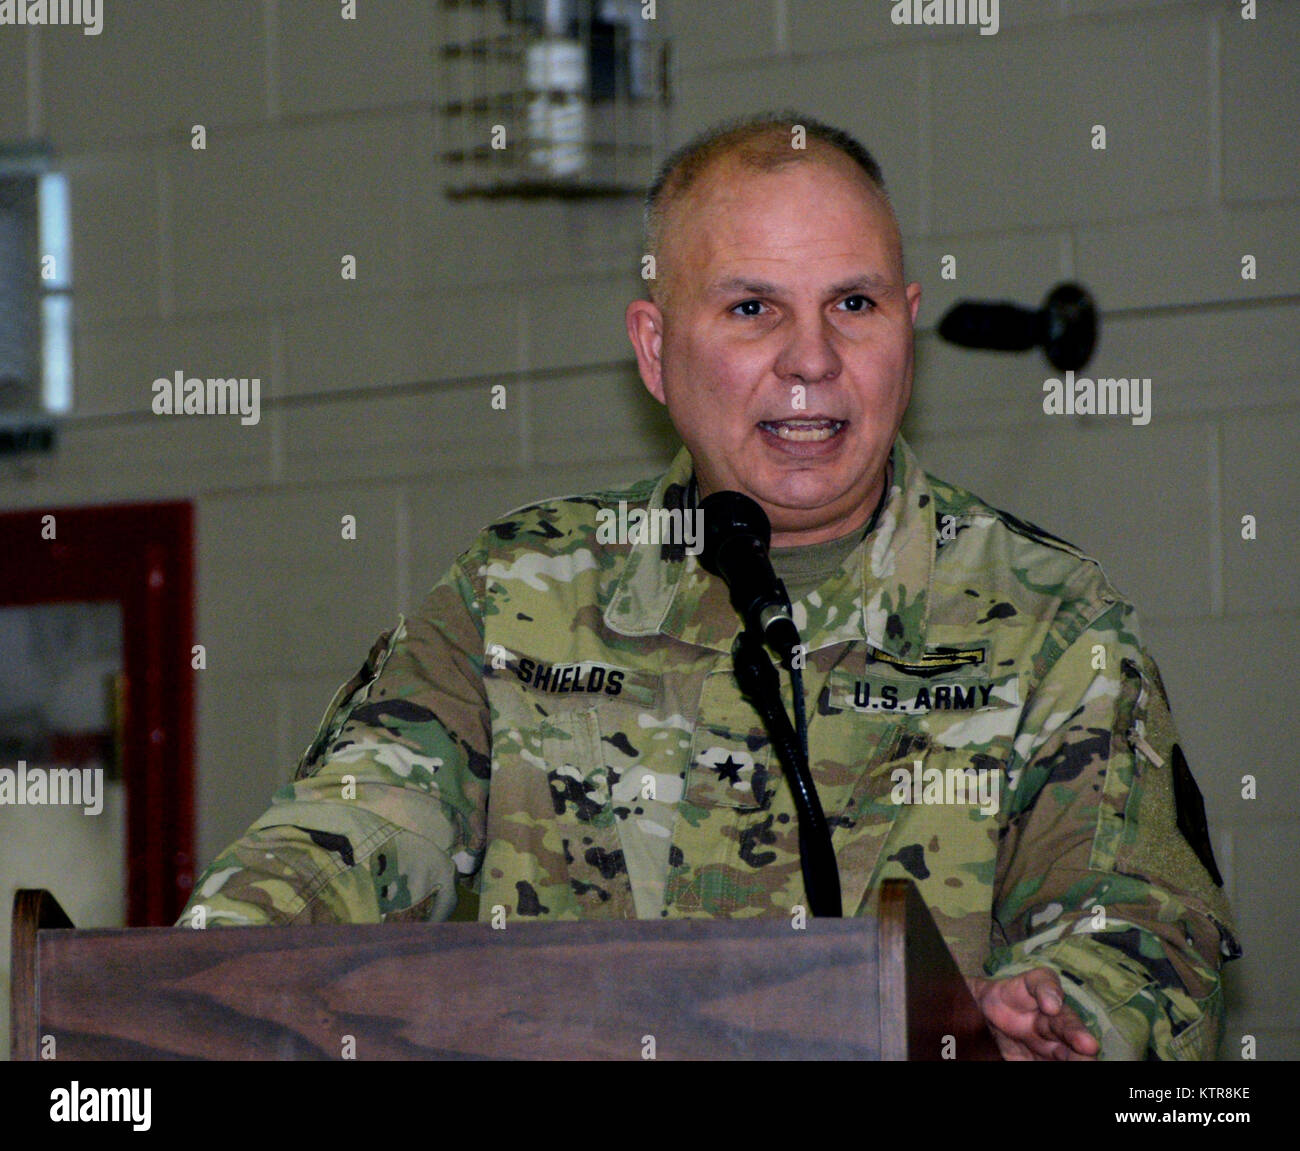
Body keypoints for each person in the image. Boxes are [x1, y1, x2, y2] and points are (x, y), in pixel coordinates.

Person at [180, 112, 1240, 1061]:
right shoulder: (517, 598)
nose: (810, 359)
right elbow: (346, 836)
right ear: (653, 347)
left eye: (854, 304)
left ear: (905, 330)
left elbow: (1138, 928)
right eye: (750, 309)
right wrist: (186, 982)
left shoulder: (1049, 619)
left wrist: (1070, 1018)